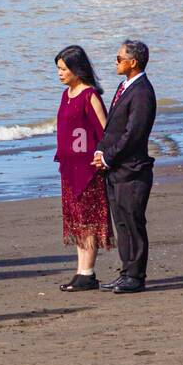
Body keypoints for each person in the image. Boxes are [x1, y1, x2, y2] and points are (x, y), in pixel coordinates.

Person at [92, 40, 157, 294]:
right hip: (117, 170)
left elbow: (134, 135)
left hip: (133, 170)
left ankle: (136, 276)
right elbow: (113, 128)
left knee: (133, 222)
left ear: (133, 62)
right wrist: (101, 150)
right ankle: (126, 272)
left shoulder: (142, 92)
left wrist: (108, 157)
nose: (115, 62)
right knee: (121, 223)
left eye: (119, 58)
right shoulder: (124, 86)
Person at [53, 46, 113, 292]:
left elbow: (106, 131)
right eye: (58, 69)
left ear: (77, 69)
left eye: (64, 69)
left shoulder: (90, 96)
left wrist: (103, 157)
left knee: (88, 221)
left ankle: (87, 273)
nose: (60, 73)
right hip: (69, 170)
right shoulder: (67, 94)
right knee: (76, 221)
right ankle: (81, 271)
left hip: (88, 172)